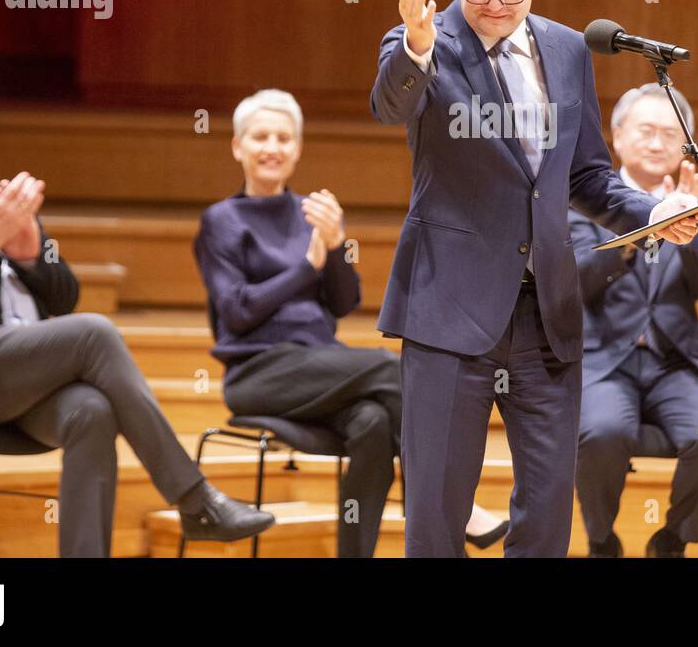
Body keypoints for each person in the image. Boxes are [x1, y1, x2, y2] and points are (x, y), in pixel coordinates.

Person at [371, 0, 698, 557]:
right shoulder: (422, 40)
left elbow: (587, 176)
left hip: (546, 317)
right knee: (436, 519)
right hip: (449, 312)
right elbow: (391, 103)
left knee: (547, 520)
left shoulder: (564, 47)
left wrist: (653, 212)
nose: (494, 3)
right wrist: (415, 41)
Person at [0, 67, 274, 557]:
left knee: (90, 411)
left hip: (10, 374)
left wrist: (33, 254)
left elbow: (63, 298)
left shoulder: (2, 196)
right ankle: (195, 498)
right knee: (94, 334)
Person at [194, 89, 507, 556]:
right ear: (238, 146)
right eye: (260, 137)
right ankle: (457, 508)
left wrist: (337, 246)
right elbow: (236, 312)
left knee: (373, 420)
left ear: (297, 149)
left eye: (284, 138)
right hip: (257, 372)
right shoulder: (221, 220)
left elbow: (344, 304)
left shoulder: (312, 214)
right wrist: (307, 266)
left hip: (319, 367)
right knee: (388, 366)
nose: (272, 148)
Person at [569, 83, 698, 557]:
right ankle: (602, 538)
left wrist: (691, 225)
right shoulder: (587, 198)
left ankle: (674, 539)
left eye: (670, 134)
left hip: (674, 363)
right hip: (605, 361)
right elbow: (576, 279)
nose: (658, 142)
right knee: (603, 432)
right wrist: (638, 229)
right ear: (617, 137)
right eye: (646, 130)